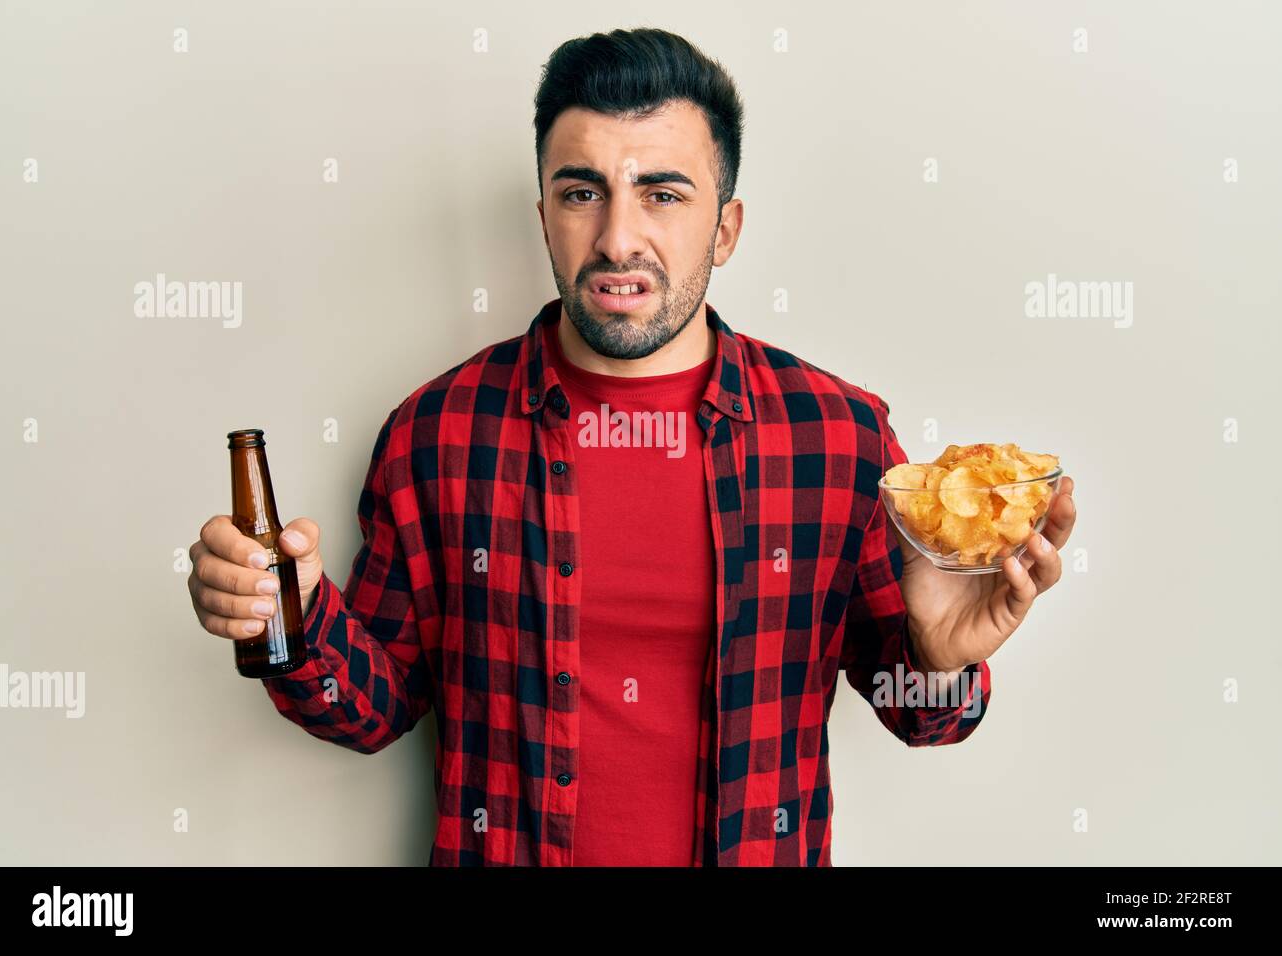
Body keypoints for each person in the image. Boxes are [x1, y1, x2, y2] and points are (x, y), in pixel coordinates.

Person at [186, 27, 1077, 866]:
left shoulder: (839, 439)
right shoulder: (438, 433)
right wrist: (291, 620)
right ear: (544, 215)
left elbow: (924, 718)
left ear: (725, 228)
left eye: (662, 193)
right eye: (583, 193)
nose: (618, 237)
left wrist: (940, 662)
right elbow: (376, 709)